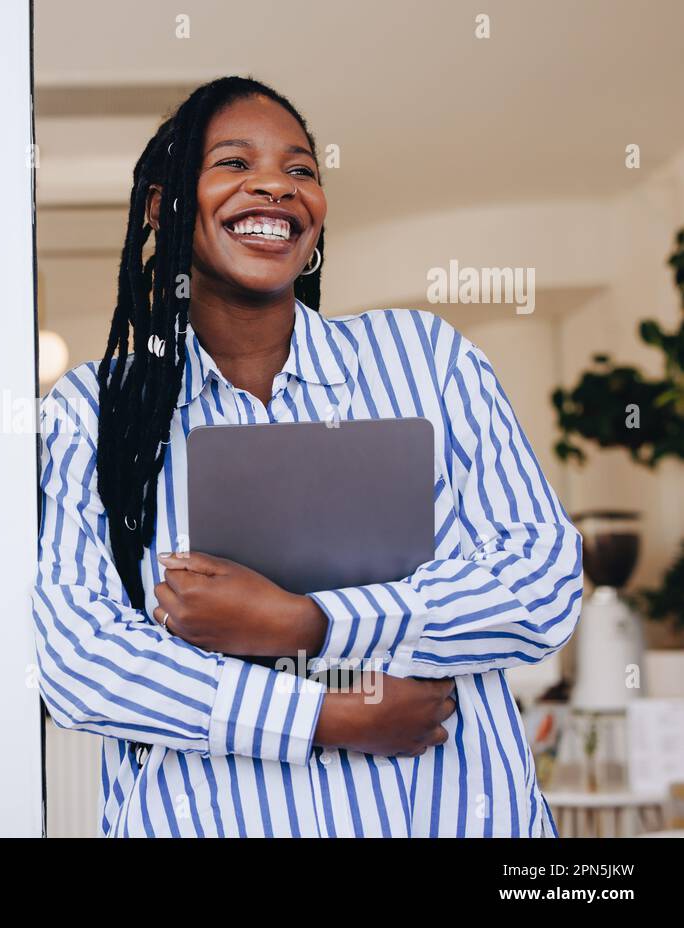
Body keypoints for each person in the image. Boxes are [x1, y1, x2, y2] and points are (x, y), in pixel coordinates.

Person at [32, 76, 583, 837]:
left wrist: (306, 624)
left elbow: (539, 579)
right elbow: (81, 662)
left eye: (301, 171)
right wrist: (324, 716)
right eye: (232, 163)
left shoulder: (425, 361)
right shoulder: (96, 412)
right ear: (162, 205)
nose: (275, 187)